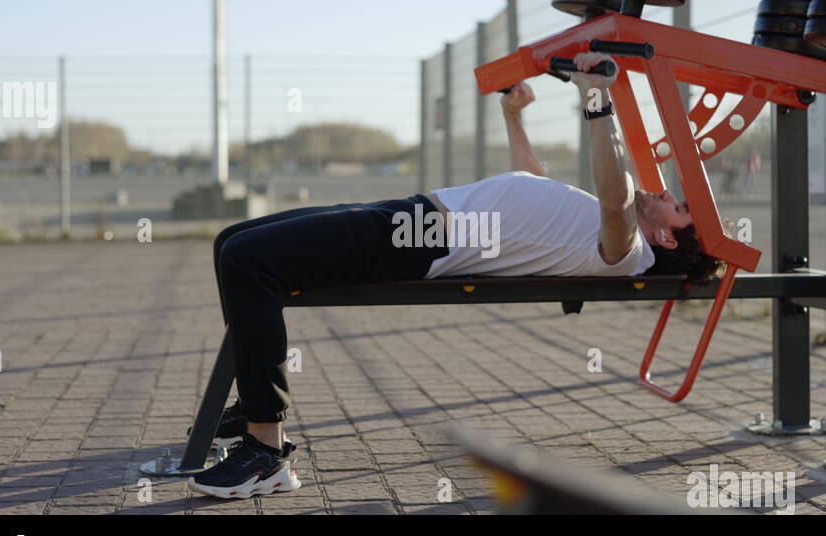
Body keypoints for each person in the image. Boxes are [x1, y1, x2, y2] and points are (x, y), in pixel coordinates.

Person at [188, 53, 722, 498]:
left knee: (248, 260)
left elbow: (614, 197)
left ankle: (266, 449)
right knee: (230, 242)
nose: (667, 195)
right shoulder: (605, 226)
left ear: (668, 239)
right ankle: (252, 403)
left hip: (420, 239)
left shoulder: (626, 249)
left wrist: (595, 97)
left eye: (678, 209)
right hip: (416, 216)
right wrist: (515, 117)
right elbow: (530, 181)